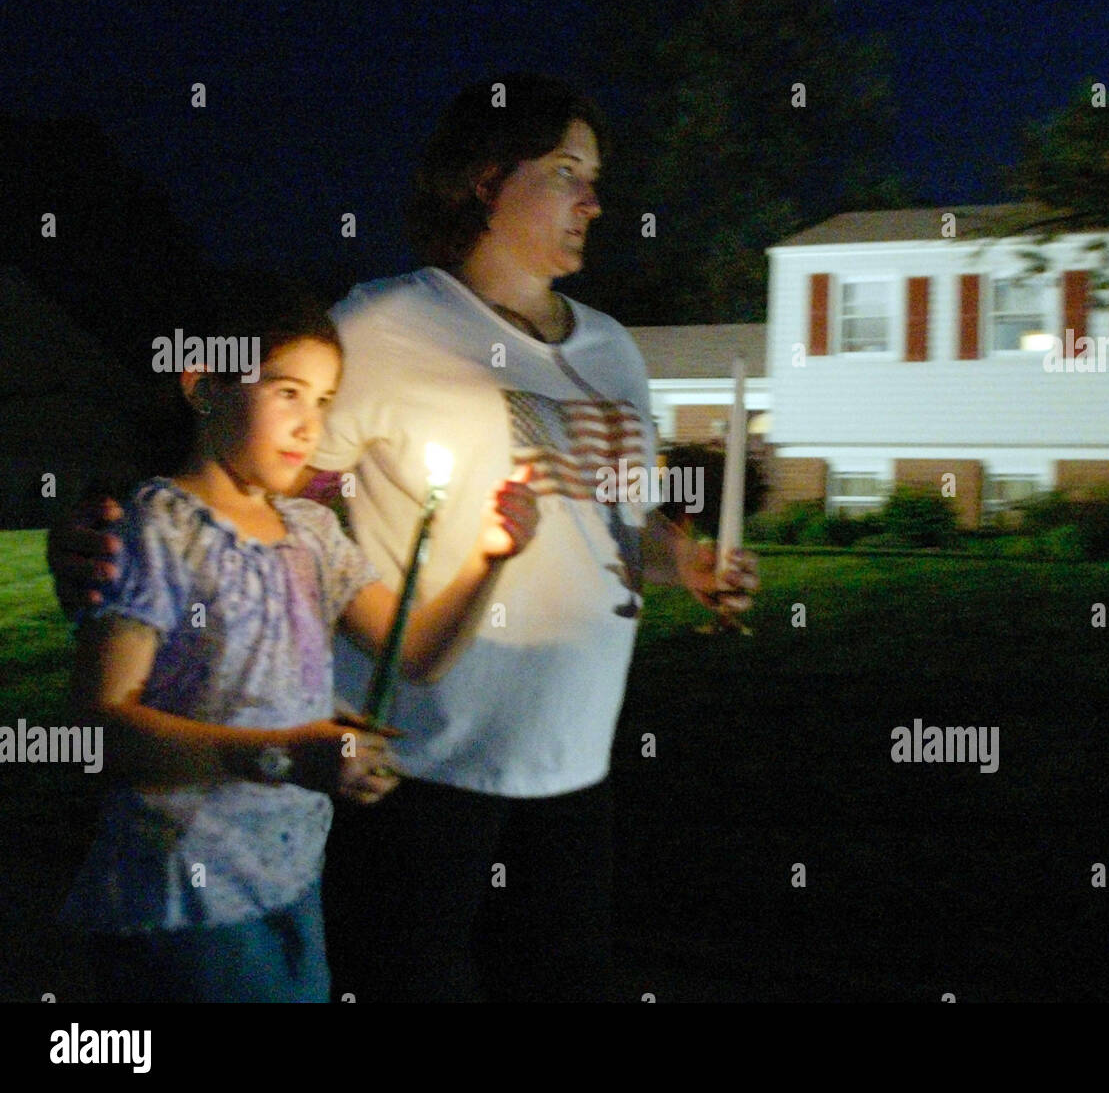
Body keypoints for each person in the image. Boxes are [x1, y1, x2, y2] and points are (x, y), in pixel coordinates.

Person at [49, 73, 759, 1002]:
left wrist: (689, 569)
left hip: (576, 762)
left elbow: (616, 530)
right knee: (409, 977)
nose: (595, 199)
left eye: (597, 176)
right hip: (421, 763)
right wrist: (110, 538)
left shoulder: (615, 351)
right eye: (565, 170)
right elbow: (249, 479)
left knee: (560, 978)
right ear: (487, 179)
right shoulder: (384, 324)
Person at [57, 289, 538, 1002]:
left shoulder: (313, 534)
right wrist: (281, 752)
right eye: (287, 392)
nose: (310, 424)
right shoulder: (158, 528)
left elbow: (417, 654)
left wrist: (489, 558)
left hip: (292, 880)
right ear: (204, 385)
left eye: (325, 400)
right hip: (187, 895)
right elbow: (97, 728)